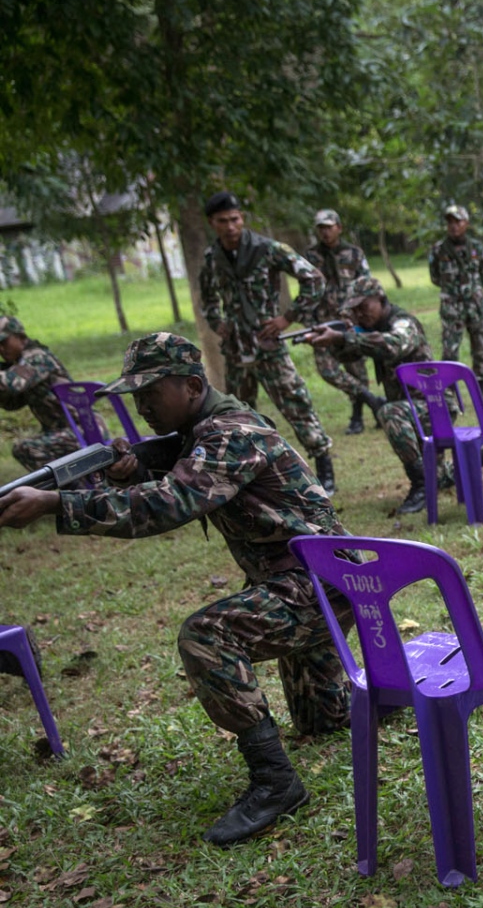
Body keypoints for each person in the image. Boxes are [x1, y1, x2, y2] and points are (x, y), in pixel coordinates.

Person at [0, 333, 352, 846]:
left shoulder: (230, 432)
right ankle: (364, 701)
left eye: (150, 394)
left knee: (206, 636)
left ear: (191, 385)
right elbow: (176, 465)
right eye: (134, 398)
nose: (141, 407)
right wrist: (134, 467)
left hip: (320, 585)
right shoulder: (205, 427)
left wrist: (58, 502)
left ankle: (276, 784)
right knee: (324, 723)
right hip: (313, 579)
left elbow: (170, 502)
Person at [305, 276, 483, 515]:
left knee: (389, 412)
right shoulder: (372, 330)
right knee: (440, 477)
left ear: (381, 299)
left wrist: (345, 336)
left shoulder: (403, 322)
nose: (360, 313)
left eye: (364, 306)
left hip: (434, 406)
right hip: (412, 409)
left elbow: (393, 344)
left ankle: (421, 486)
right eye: (355, 310)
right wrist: (333, 340)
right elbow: (349, 355)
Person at [197, 192, 337, 493]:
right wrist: (217, 323)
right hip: (236, 350)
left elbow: (313, 278)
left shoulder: (267, 249)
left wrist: (288, 317)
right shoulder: (212, 259)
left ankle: (324, 465)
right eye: (223, 221)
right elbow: (207, 298)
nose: (231, 226)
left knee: (296, 402)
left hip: (268, 345)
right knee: (234, 414)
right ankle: (245, 473)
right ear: (213, 223)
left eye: (235, 219)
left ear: (242, 218)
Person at [303, 208, 375, 432]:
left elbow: (366, 286)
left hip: (349, 322)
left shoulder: (354, 254)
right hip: (322, 322)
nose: (325, 232)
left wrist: (364, 316)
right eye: (321, 228)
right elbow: (305, 289)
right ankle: (373, 400)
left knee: (357, 370)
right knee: (327, 370)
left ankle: (357, 417)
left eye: (329, 227)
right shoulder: (310, 257)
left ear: (339, 228)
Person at [0, 314, 82, 470]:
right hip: (59, 431)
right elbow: (12, 403)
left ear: (20, 336)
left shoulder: (37, 357)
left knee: (25, 448)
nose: (1, 349)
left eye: (4, 342)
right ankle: (74, 487)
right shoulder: (21, 363)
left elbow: (11, 383)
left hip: (81, 428)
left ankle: (76, 489)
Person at [428, 204, 483, 393]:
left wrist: (472, 292)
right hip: (452, 307)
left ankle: (480, 391)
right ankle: (451, 393)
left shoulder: (478, 248)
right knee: (450, 351)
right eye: (450, 222)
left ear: (466, 223)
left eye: (458, 221)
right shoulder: (438, 250)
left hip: (475, 305)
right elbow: (435, 277)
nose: (453, 226)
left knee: (480, 348)